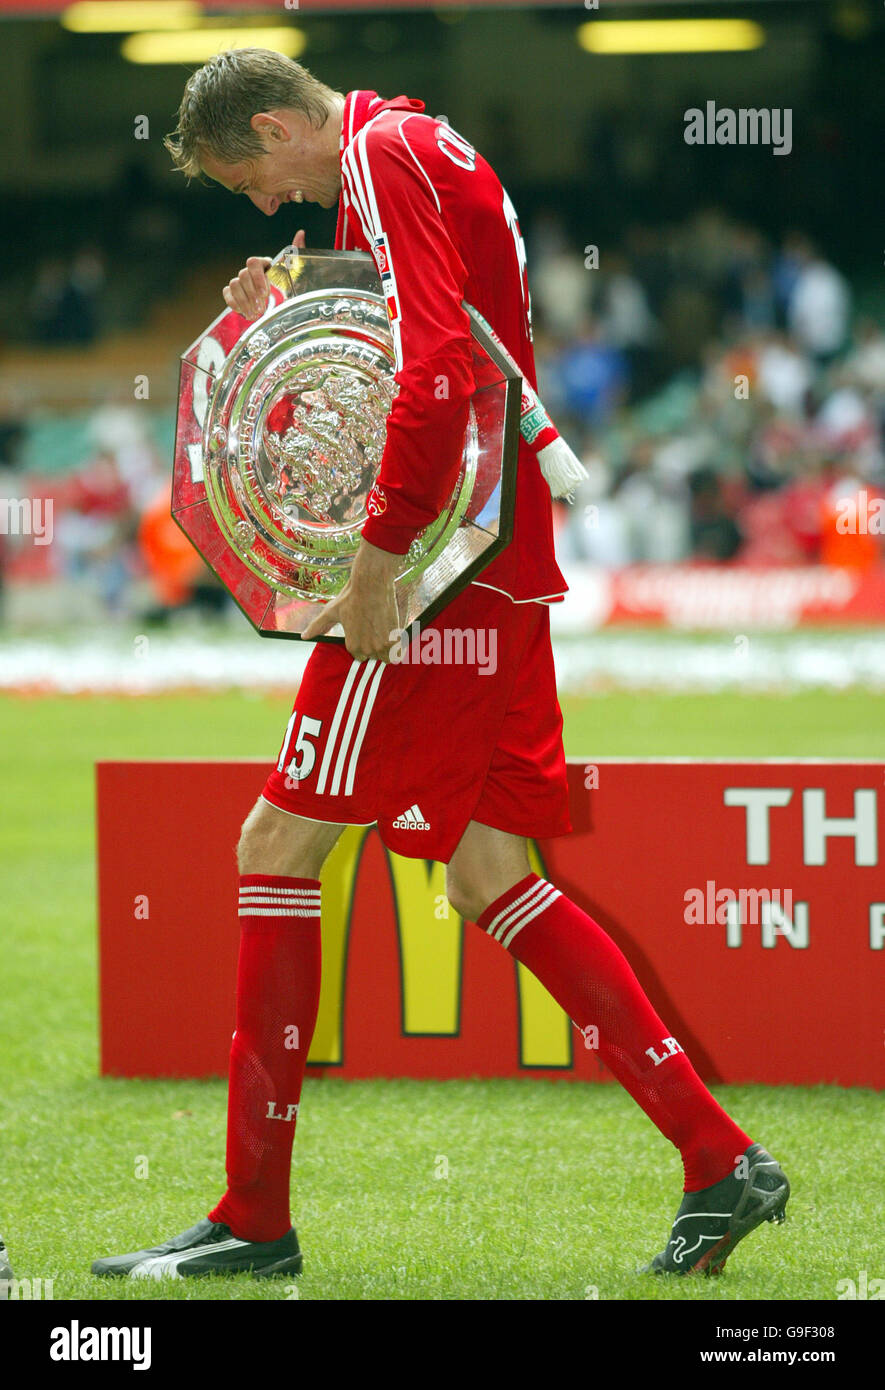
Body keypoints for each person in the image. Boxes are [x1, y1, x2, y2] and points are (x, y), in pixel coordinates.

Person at [93, 49, 789, 1284]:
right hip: (505, 556)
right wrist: (290, 295)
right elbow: (423, 323)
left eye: (246, 178)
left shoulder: (378, 157)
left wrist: (370, 565)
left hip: (432, 567)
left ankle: (254, 1220)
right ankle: (718, 1157)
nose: (262, 205)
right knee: (488, 874)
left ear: (272, 123)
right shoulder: (408, 147)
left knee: (275, 847)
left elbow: (429, 373)